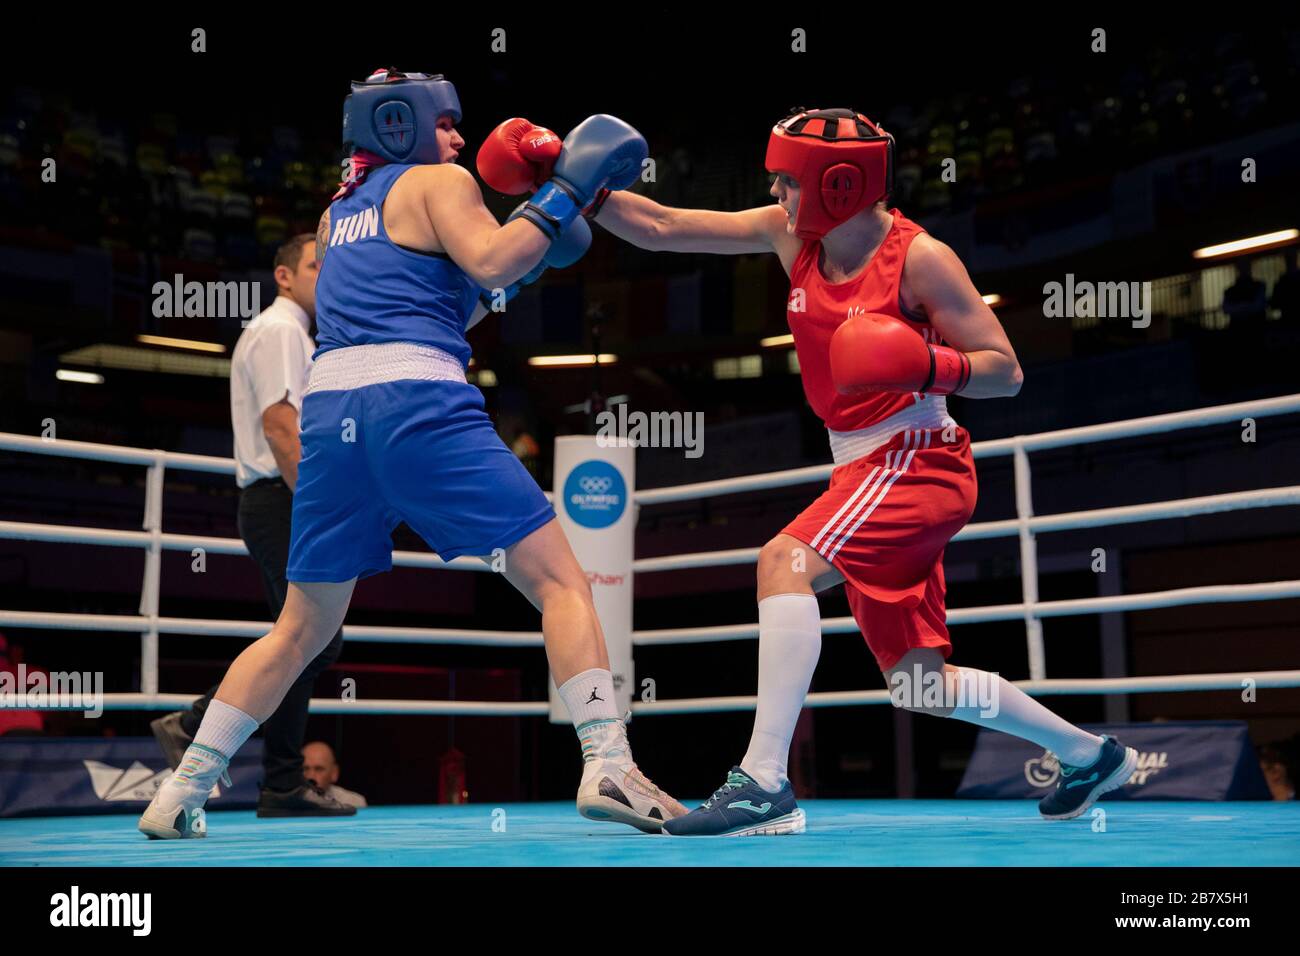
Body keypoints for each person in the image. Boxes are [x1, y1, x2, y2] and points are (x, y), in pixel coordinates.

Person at [139, 69, 683, 840]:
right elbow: (490, 265)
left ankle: (181, 791)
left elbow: (453, 293)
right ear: (402, 122)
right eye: (451, 122)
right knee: (562, 579)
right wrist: (562, 190)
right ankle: (608, 764)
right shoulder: (440, 180)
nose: (462, 137)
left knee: (298, 629)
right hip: (416, 401)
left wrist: (524, 258)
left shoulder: (335, 216)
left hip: (332, 417)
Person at [580, 106, 1136, 834]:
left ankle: (762, 784)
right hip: (860, 469)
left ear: (838, 186)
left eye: (785, 182)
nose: (775, 195)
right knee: (919, 686)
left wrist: (929, 363)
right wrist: (569, 188)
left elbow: (1007, 371)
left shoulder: (921, 258)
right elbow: (661, 226)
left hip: (917, 457)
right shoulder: (791, 236)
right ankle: (1091, 756)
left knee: (782, 561)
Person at [150, 234, 354, 819]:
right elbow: (280, 426)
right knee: (310, 639)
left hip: (278, 501)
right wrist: (315, 504)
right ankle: (201, 726)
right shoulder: (281, 329)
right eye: (315, 266)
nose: (325, 277)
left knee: (304, 639)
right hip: (282, 499)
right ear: (284, 276)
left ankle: (280, 782)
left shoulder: (291, 334)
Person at [301, 741, 367, 808]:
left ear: (334, 773)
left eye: (319, 769)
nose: (310, 776)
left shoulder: (353, 803)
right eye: (305, 769)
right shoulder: (290, 803)